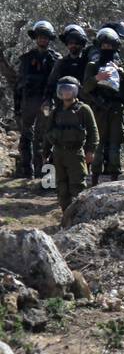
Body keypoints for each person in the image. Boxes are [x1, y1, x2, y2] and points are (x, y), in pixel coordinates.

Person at [81, 26, 124, 185]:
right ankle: (94, 180)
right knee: (98, 145)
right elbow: (85, 88)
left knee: (115, 145)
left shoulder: (121, 65)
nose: (107, 48)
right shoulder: (93, 65)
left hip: (116, 110)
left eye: (110, 46)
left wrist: (123, 72)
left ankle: (114, 178)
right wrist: (97, 78)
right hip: (99, 109)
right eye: (104, 45)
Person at [40, 76, 98, 212]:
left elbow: (93, 132)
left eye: (69, 89)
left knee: (77, 186)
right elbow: (48, 133)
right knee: (61, 187)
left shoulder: (84, 109)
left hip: (76, 153)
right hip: (58, 153)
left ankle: (79, 216)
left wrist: (91, 150)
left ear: (75, 91)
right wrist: (45, 153)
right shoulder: (55, 111)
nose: (66, 93)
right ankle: (66, 216)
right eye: (63, 89)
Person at [13, 21, 62, 179]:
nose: (42, 40)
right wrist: (17, 106)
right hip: (29, 102)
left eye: (45, 37)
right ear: (36, 39)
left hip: (46, 102)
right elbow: (19, 84)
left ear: (49, 39)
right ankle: (26, 171)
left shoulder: (55, 59)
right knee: (26, 136)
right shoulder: (26, 59)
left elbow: (57, 83)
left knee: (44, 137)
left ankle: (44, 174)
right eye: (40, 37)